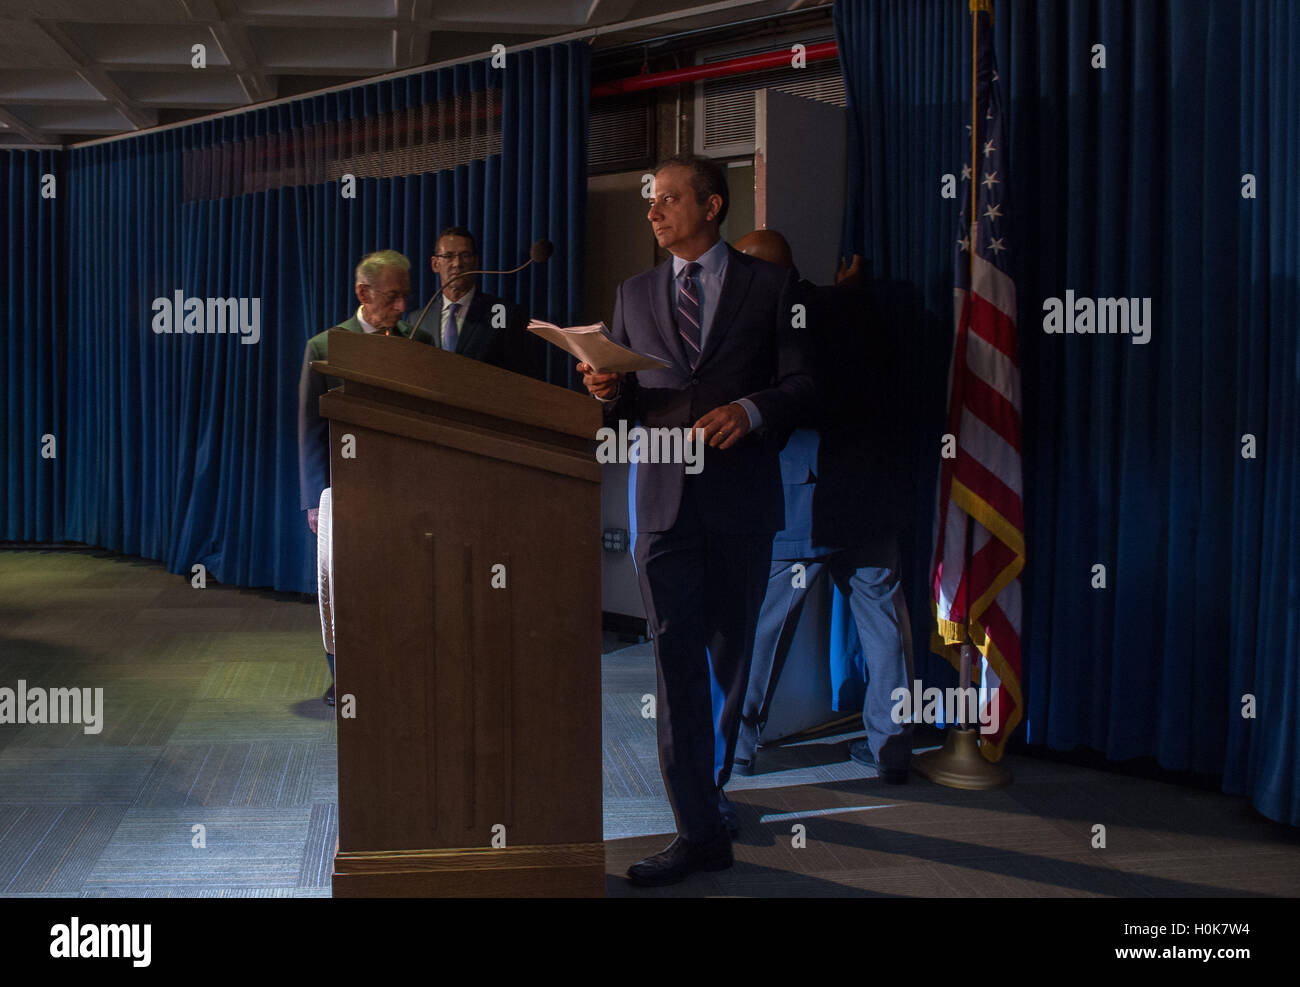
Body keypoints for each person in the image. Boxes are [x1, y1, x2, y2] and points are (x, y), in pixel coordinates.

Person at [579, 156, 814, 886]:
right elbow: (621, 407)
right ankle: (697, 826)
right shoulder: (633, 292)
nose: (654, 211)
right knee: (674, 659)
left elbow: (806, 383)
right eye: (652, 201)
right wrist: (603, 387)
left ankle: (712, 794)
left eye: (669, 199)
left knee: (729, 658)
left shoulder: (771, 285)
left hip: (741, 502)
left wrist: (750, 410)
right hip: (661, 506)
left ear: (712, 206)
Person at [725, 230, 916, 784]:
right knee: (883, 622)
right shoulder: (855, 306)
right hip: (871, 493)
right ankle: (891, 750)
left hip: (803, 495)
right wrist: (850, 292)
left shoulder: (771, 316)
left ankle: (736, 749)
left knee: (765, 626)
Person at [297, 250, 433, 705]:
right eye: (392, 298)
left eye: (405, 299)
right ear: (363, 293)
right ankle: (345, 677)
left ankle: (397, 669)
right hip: (345, 491)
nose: (401, 309)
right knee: (342, 588)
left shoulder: (421, 343)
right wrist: (315, 500)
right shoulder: (325, 346)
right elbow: (310, 431)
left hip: (407, 489)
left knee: (399, 585)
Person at [427, 226, 545, 380]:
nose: (457, 263)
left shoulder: (500, 312)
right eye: (448, 256)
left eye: (465, 255)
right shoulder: (420, 318)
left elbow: (516, 373)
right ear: (435, 264)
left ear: (475, 262)